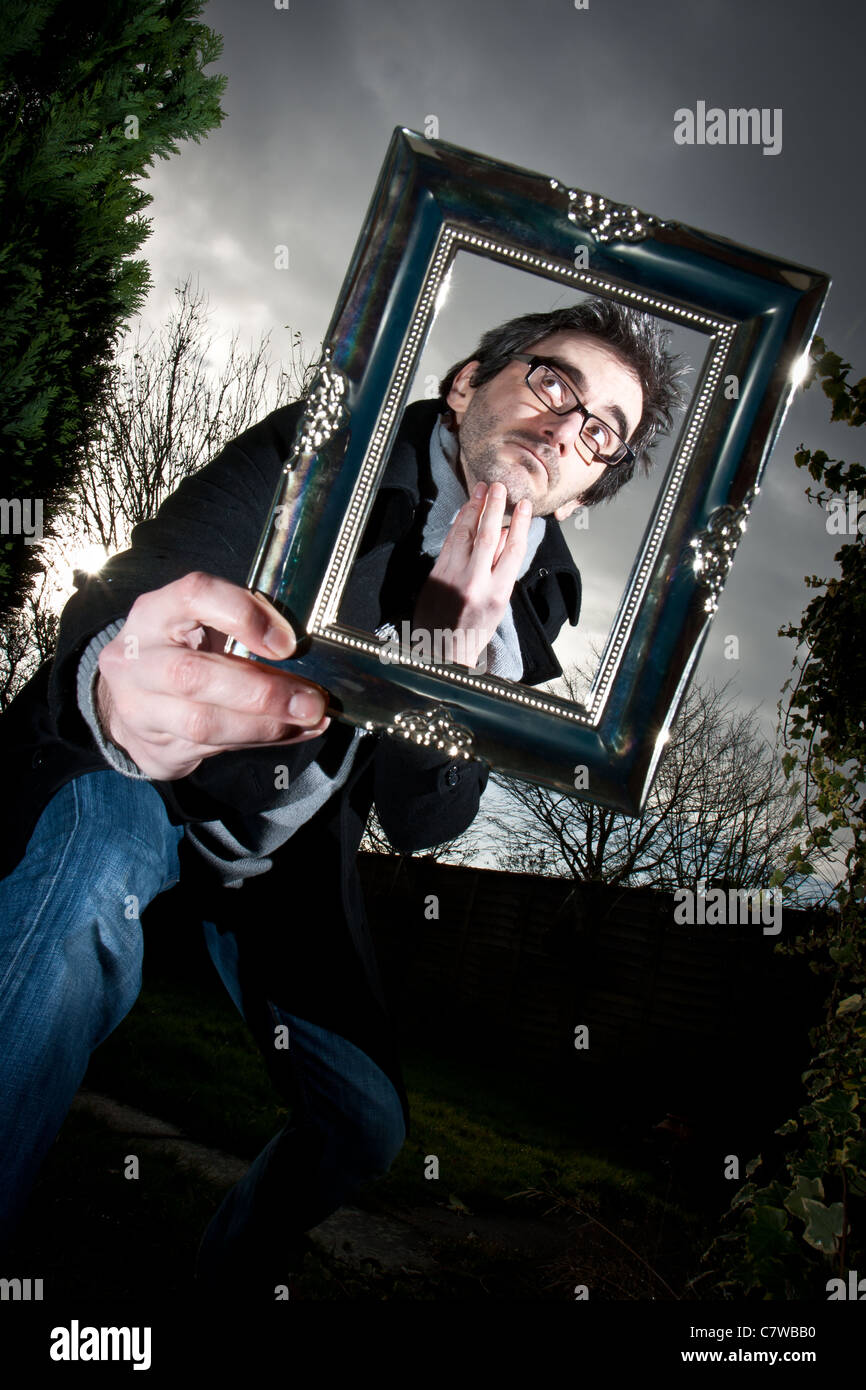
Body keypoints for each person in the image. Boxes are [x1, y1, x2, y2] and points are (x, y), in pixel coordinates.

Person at [0, 297, 685, 1293]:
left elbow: (425, 817)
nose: (562, 428)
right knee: (72, 921)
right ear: (463, 388)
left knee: (364, 1122)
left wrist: (443, 674)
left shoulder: (529, 607)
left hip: (284, 867)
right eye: (550, 381)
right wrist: (117, 675)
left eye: (599, 434)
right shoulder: (325, 453)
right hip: (148, 780)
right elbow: (139, 584)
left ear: (586, 490)